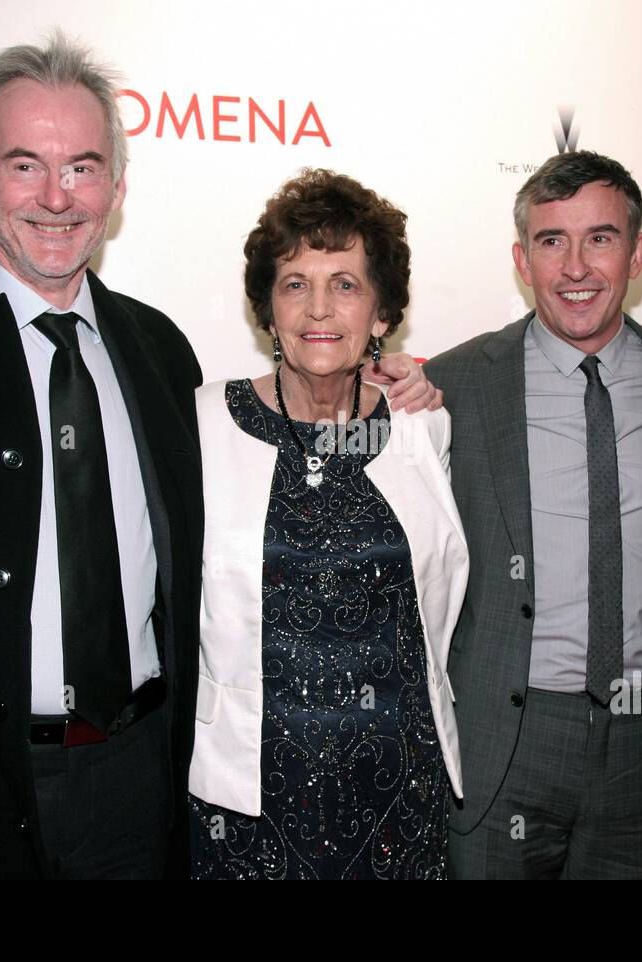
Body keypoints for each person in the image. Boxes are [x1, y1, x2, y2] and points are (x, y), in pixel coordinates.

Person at [0, 33, 438, 879]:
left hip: (141, 787)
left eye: (81, 165)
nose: (56, 195)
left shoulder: (159, 352)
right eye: (24, 164)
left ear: (114, 187)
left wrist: (386, 378)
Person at [425, 150, 642, 879]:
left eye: (601, 237)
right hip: (505, 736)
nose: (576, 267)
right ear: (523, 260)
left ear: (638, 252)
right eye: (552, 241)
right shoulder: (453, 384)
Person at [187, 169, 468, 879]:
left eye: (345, 284)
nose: (319, 308)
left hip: (398, 791)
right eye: (294, 283)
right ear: (267, 308)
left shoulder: (419, 424)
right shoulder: (204, 423)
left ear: (381, 313)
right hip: (246, 797)